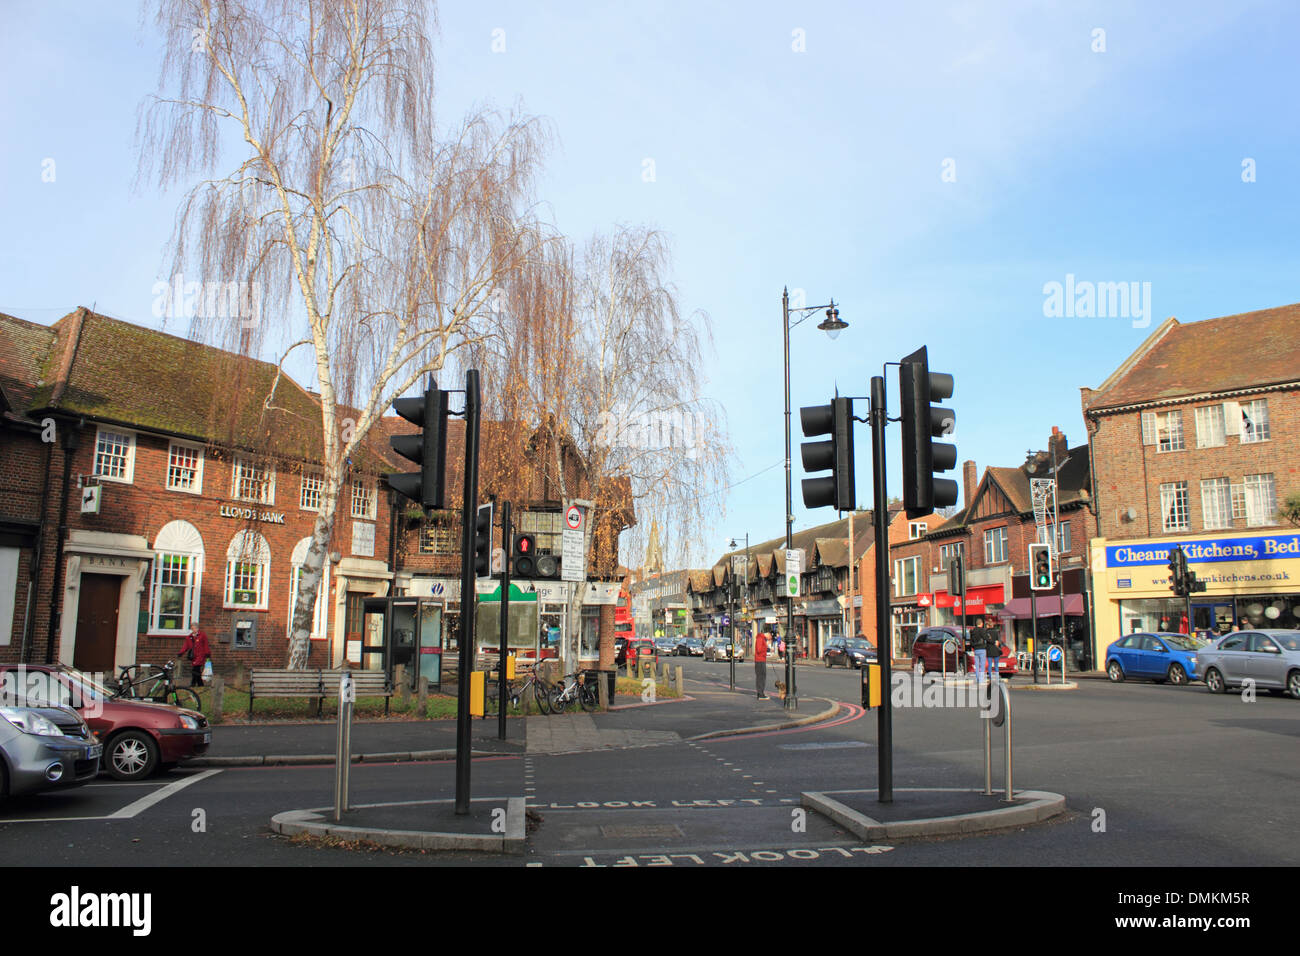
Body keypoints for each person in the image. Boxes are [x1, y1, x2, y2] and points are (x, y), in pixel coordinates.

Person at [969, 617, 988, 684]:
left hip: (976, 650)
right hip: (982, 649)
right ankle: (981, 680)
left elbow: (971, 641)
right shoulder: (982, 630)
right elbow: (986, 638)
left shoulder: (973, 631)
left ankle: (977, 678)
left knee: (977, 665)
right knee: (982, 665)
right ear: (981, 624)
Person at [754, 628, 769, 699]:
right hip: (760, 660)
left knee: (762, 676)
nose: (770, 636)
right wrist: (765, 651)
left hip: (761, 659)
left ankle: (761, 692)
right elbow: (759, 649)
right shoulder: (760, 638)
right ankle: (760, 693)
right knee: (761, 676)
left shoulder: (762, 638)